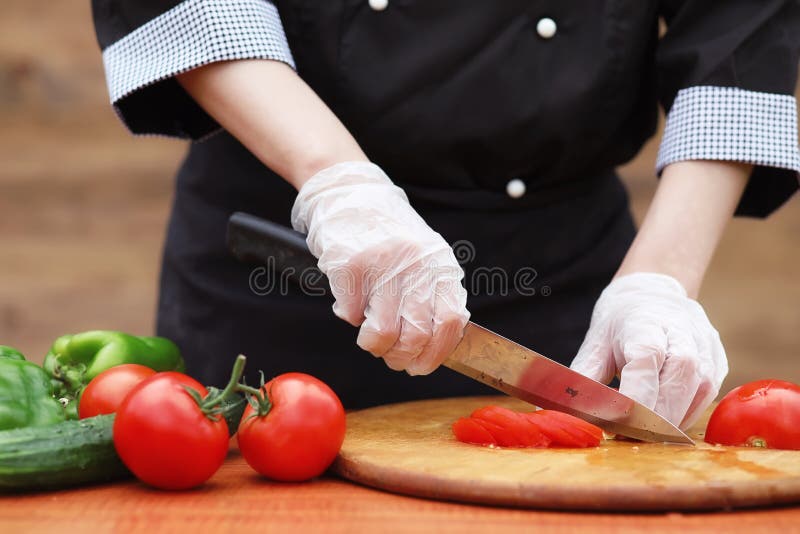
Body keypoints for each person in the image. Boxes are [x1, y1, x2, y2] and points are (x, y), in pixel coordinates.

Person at [91, 0, 799, 429]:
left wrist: (659, 283)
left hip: (564, 311)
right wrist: (338, 184)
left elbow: (738, 39)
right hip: (289, 270)